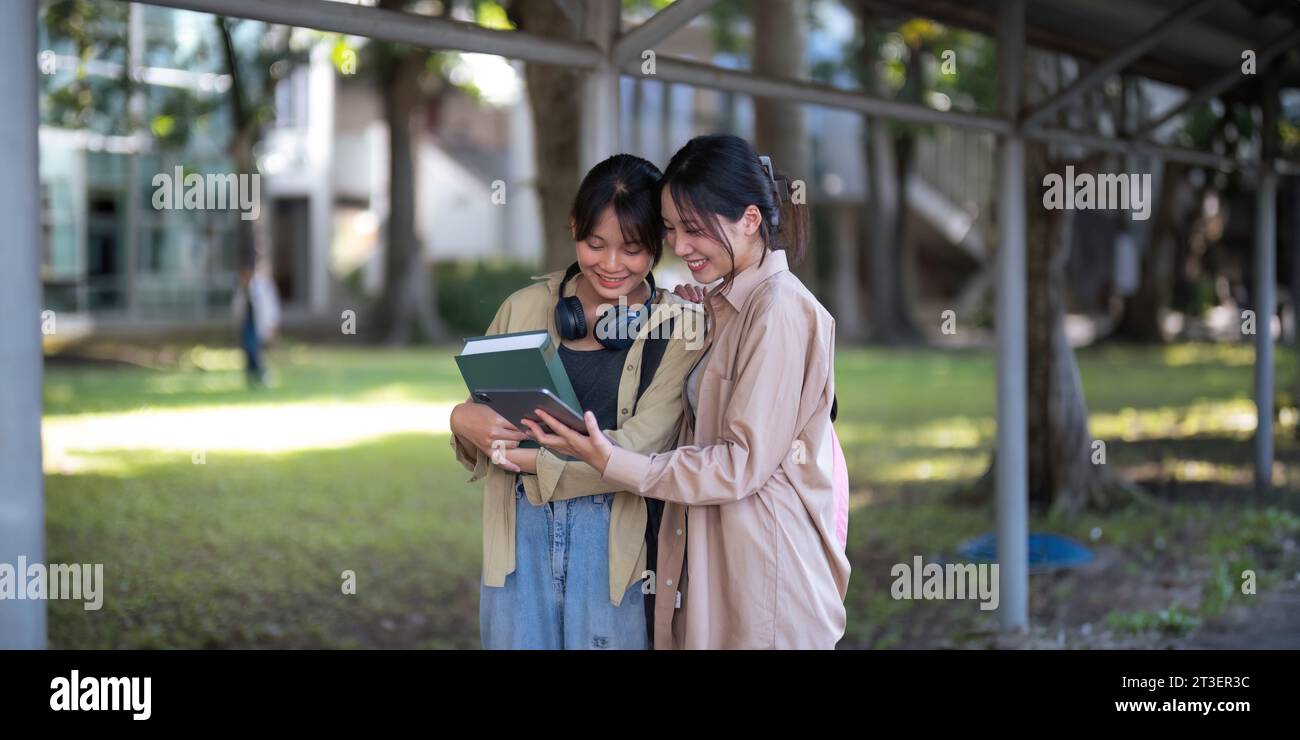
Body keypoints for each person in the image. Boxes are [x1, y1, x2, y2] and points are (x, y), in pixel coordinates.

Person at [524, 134, 851, 649]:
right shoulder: (729, 305)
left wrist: (613, 460)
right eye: (672, 230)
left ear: (749, 219)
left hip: (765, 585)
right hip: (719, 571)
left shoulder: (781, 310)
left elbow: (739, 463)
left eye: (694, 230)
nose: (678, 247)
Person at [448, 154, 702, 649]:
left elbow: (641, 450)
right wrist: (461, 420)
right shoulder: (521, 308)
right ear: (573, 229)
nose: (611, 265)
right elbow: (480, 417)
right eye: (594, 244)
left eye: (632, 249)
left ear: (658, 245)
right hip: (517, 539)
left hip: (612, 544)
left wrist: (527, 460)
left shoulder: (679, 328)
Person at [232, 259, 281, 388]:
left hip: (257, 326)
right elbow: (237, 310)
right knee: (248, 352)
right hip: (247, 325)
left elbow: (270, 308)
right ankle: (251, 379)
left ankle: (262, 376)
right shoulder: (242, 289)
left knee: (255, 351)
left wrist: (272, 326)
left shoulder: (262, 287)